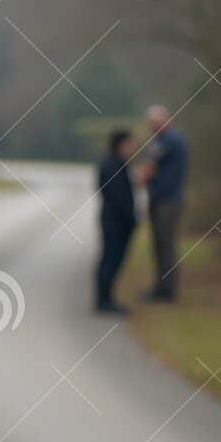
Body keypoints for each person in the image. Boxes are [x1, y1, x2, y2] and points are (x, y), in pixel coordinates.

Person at [141, 104, 188, 302]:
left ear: (165, 120)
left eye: (155, 123)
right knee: (160, 245)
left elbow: (150, 168)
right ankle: (161, 287)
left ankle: (167, 290)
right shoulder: (164, 140)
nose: (152, 127)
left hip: (167, 201)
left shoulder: (169, 141)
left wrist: (140, 178)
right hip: (162, 199)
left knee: (165, 244)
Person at [95, 129, 138, 314]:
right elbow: (119, 197)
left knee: (111, 259)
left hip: (114, 220)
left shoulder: (115, 163)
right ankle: (104, 300)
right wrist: (131, 219)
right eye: (130, 144)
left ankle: (106, 298)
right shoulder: (113, 165)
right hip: (115, 222)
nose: (133, 148)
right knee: (111, 259)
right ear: (121, 144)